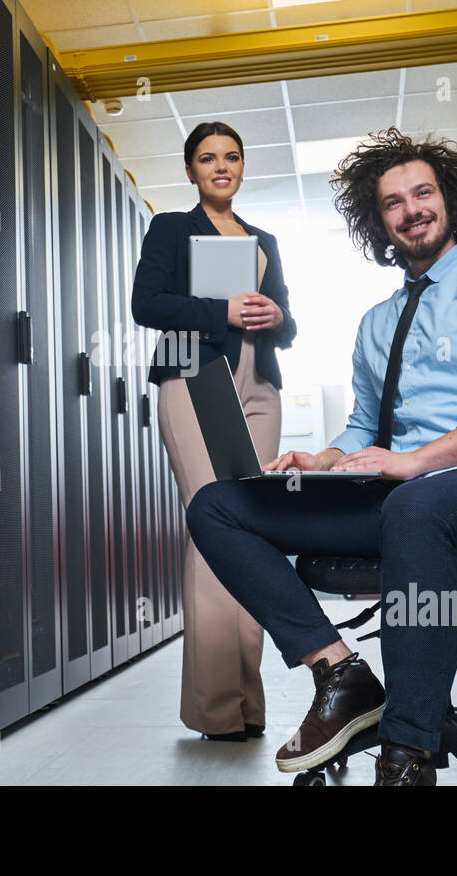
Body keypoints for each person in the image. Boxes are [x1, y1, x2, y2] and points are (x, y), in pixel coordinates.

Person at [185, 127, 457, 784]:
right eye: (393, 202)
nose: (412, 208)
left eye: (423, 193)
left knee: (415, 504)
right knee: (220, 504)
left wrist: (415, 461)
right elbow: (364, 425)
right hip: (398, 496)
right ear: (378, 221)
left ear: (450, 200)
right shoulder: (377, 322)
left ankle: (406, 753)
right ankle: (340, 672)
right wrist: (322, 460)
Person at [131, 121, 298, 741]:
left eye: (231, 156)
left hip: (261, 389)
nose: (221, 166)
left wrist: (279, 316)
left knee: (252, 534)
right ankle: (216, 709)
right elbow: (146, 303)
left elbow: (287, 323)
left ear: (243, 166)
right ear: (192, 169)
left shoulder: (264, 239)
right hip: (198, 380)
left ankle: (250, 706)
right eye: (207, 158)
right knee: (212, 533)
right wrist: (220, 309)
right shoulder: (173, 228)